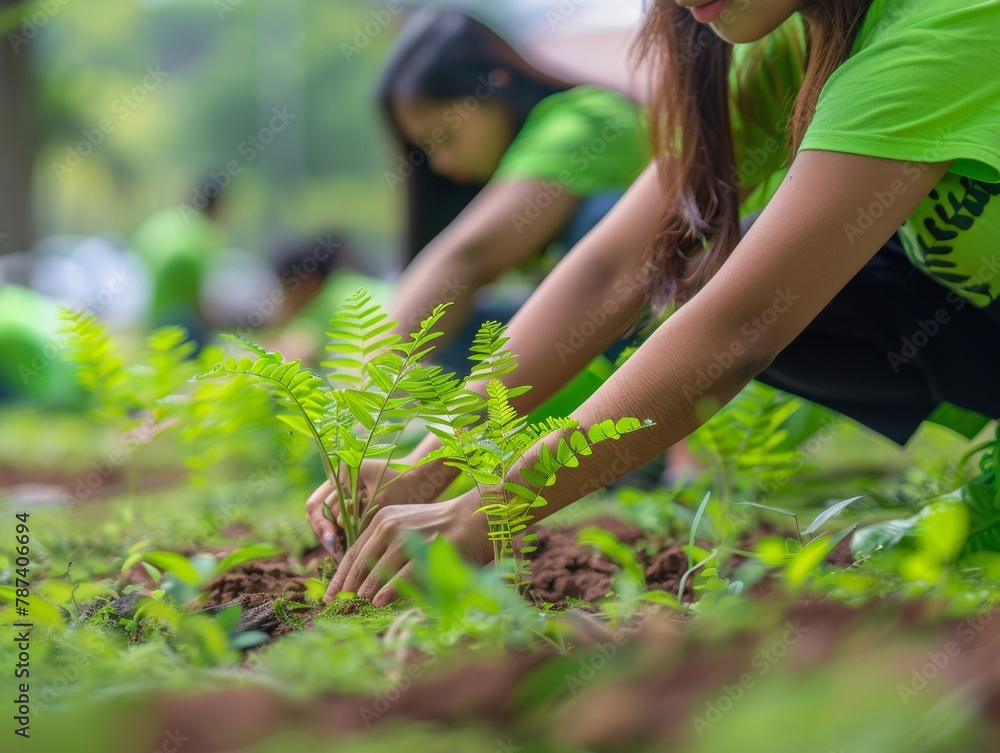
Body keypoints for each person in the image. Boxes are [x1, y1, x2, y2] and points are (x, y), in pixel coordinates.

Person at [311, 0, 1000, 604]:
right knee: (720, 262)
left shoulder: (940, 27)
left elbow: (736, 327)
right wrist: (434, 463)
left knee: (753, 282)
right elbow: (613, 268)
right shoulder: (795, 40)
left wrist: (496, 506)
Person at [375, 9, 650, 367]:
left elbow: (470, 255)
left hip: (667, 327)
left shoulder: (588, 120)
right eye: (427, 148)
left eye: (447, 137)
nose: (440, 163)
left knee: (595, 216)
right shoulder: (498, 172)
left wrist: (363, 407)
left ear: (497, 85)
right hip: (596, 341)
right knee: (460, 329)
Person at [131, 174, 227, 343]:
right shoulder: (204, 233)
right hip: (183, 324)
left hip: (152, 319)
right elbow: (199, 296)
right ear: (216, 205)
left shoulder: (162, 221)